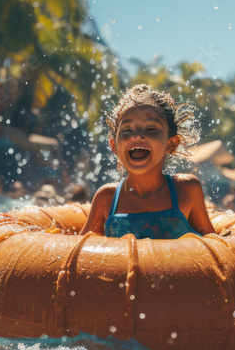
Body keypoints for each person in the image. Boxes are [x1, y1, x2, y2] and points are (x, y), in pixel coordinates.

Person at [80, 84, 215, 239]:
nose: (137, 136)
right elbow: (81, 250)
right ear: (114, 146)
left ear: (170, 144)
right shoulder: (107, 198)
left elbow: (212, 244)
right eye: (127, 130)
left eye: (151, 129)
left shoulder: (186, 190)